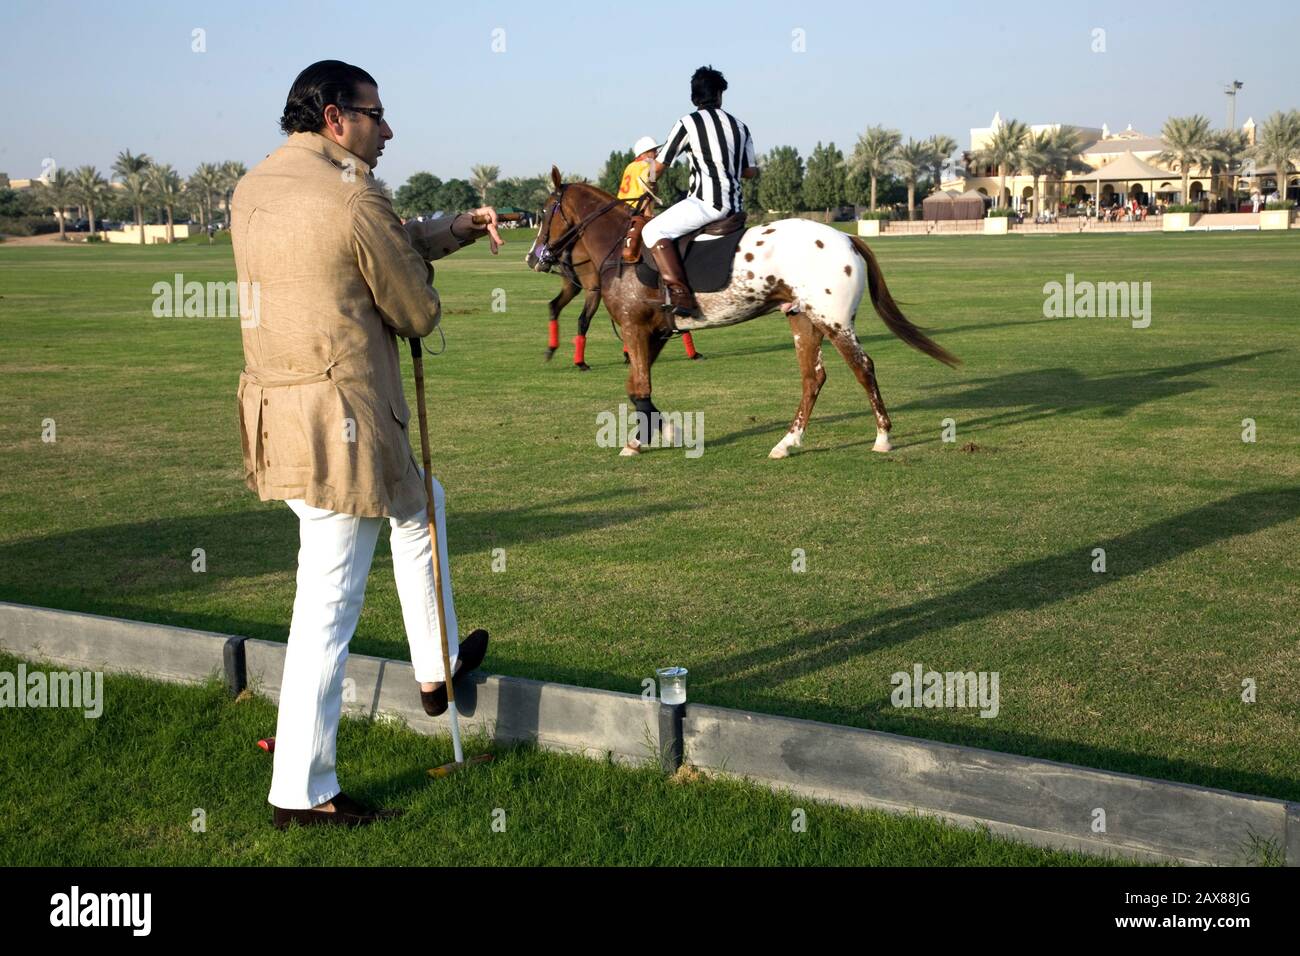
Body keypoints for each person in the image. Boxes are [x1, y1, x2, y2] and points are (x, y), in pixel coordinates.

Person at [231, 60, 503, 830]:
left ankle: (435, 670)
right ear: (333, 117)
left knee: (423, 502)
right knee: (325, 608)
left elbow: (353, 251)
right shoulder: (355, 191)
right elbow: (412, 309)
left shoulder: (254, 187)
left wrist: (448, 229)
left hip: (277, 416)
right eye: (376, 115)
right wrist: (427, 278)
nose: (388, 130)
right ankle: (303, 792)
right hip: (340, 427)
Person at [641, 65, 759, 315]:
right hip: (735, 206)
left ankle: (680, 294)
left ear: (694, 97)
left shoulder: (688, 122)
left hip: (706, 204)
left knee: (653, 228)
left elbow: (660, 166)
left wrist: (649, 178)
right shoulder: (741, 126)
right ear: (719, 95)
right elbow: (750, 172)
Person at [613, 135, 702, 360]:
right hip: (641, 219)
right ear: (646, 153)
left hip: (623, 220)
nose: (655, 154)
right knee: (670, 271)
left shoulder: (629, 167)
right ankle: (690, 348)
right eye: (653, 151)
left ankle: (627, 350)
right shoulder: (648, 165)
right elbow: (649, 190)